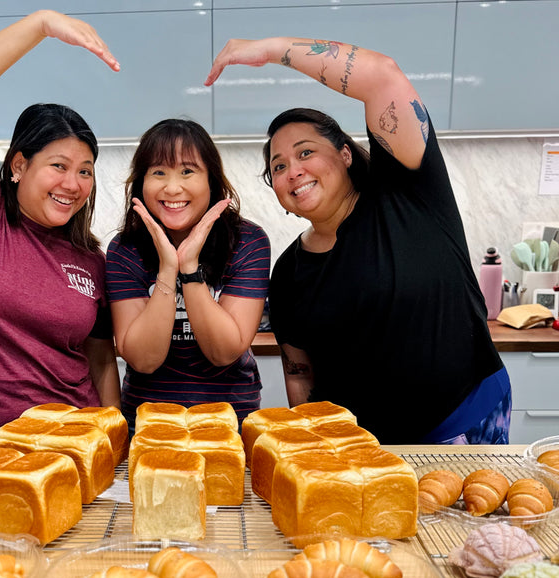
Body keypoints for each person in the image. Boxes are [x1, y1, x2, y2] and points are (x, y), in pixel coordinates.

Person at [205, 37, 511, 444]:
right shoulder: (288, 272)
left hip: (464, 424)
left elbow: (381, 75)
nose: (293, 170)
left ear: (346, 154)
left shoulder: (408, 191)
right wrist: (313, 447)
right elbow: (301, 375)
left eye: (306, 152)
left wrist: (270, 50)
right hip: (360, 454)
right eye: (278, 166)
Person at [0, 11, 122, 439]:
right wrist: (41, 25)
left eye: (85, 171)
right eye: (59, 166)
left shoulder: (89, 259)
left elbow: (101, 358)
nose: (73, 184)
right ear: (19, 165)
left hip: (69, 444)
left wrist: (115, 437)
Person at [105, 118, 271, 433]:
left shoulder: (247, 241)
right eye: (158, 172)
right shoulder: (124, 249)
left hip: (230, 419)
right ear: (142, 183)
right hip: (149, 421)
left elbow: (224, 352)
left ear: (212, 181)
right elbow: (143, 359)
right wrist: (168, 269)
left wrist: (190, 268)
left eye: (187, 171)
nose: (172, 187)